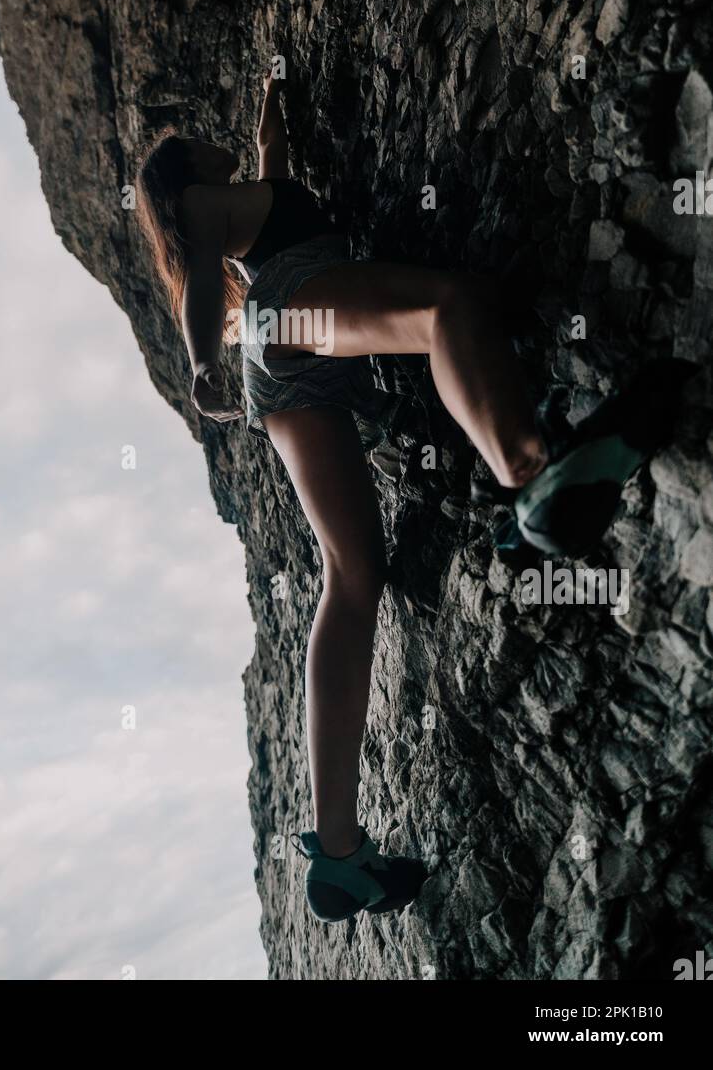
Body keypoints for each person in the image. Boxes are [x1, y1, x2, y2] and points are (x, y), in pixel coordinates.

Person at [135, 68, 695, 923]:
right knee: (446, 307)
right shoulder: (210, 208)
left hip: (274, 366)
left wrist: (274, 104)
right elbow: (206, 270)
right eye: (196, 149)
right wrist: (200, 359)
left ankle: (337, 849)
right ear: (190, 178)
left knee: (352, 572)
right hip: (286, 313)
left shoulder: (254, 188)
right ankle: (528, 473)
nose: (216, 142)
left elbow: (270, 158)